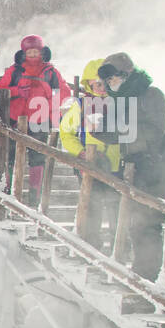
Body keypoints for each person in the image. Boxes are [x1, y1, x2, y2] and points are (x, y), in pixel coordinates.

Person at [91, 52, 165, 282]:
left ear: (127, 74)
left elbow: (153, 133)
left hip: (158, 168)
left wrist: (121, 133)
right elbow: (115, 132)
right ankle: (141, 276)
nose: (111, 84)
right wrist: (98, 129)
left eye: (113, 78)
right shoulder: (119, 99)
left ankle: (146, 281)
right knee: (136, 223)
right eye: (107, 80)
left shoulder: (151, 94)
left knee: (148, 225)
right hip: (136, 167)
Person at [0, 34, 71, 201]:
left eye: (35, 52)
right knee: (12, 155)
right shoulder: (14, 70)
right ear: (23, 53)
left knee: (38, 157)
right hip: (16, 118)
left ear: (42, 52)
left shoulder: (51, 72)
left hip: (40, 119)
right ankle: (9, 190)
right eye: (29, 52)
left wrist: (48, 96)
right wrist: (16, 91)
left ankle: (34, 196)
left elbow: (64, 93)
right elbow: (1, 90)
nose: (32, 55)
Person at [57, 59, 121, 251]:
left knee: (116, 208)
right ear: (89, 84)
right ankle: (91, 246)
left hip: (117, 165)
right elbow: (66, 134)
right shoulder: (81, 105)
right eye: (98, 84)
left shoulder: (118, 103)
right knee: (92, 206)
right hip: (89, 164)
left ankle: (120, 247)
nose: (102, 88)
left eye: (106, 83)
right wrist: (80, 152)